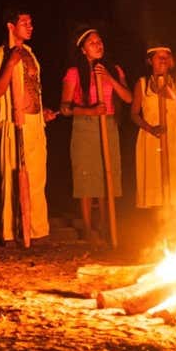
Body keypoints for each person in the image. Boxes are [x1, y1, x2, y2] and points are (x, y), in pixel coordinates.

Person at [0, 7, 58, 247]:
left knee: (38, 178)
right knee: (12, 178)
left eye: (31, 22)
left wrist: (42, 111)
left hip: (35, 124)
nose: (30, 26)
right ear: (11, 26)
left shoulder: (30, 53)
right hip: (14, 123)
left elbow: (32, 87)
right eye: (25, 22)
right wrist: (10, 63)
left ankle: (38, 231)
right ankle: (10, 233)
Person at [60, 28, 132, 244]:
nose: (98, 45)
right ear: (83, 50)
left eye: (100, 41)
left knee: (106, 177)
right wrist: (89, 111)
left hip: (108, 124)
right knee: (87, 177)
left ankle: (106, 226)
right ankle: (88, 229)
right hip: (85, 125)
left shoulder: (114, 69)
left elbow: (128, 98)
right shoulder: (74, 73)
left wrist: (109, 76)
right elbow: (64, 107)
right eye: (92, 43)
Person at [131, 44, 176, 240]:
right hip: (151, 139)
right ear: (150, 61)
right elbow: (134, 114)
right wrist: (150, 128)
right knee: (155, 188)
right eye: (158, 57)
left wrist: (170, 94)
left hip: (174, 138)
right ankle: (157, 237)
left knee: (175, 188)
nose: (162, 60)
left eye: (166, 57)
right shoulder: (141, 84)